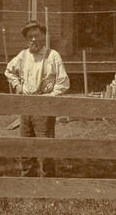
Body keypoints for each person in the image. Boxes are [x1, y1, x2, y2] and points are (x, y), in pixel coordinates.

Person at [5, 20, 70, 177]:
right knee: (25, 145)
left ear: (43, 36)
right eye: (30, 37)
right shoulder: (23, 55)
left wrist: (48, 99)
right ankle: (28, 182)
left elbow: (63, 83)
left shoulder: (53, 56)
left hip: (44, 107)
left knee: (45, 147)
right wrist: (18, 87)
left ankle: (47, 183)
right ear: (26, 39)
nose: (33, 40)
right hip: (26, 106)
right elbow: (9, 71)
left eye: (37, 36)